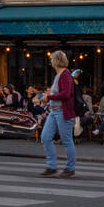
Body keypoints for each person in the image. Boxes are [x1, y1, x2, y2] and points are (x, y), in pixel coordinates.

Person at [38, 49, 77, 177]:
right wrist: (49, 96)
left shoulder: (65, 75)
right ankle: (52, 166)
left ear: (56, 61)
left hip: (62, 111)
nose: (50, 62)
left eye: (51, 60)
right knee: (45, 137)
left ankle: (69, 168)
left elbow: (65, 94)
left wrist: (48, 97)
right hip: (55, 111)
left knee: (66, 140)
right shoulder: (60, 75)